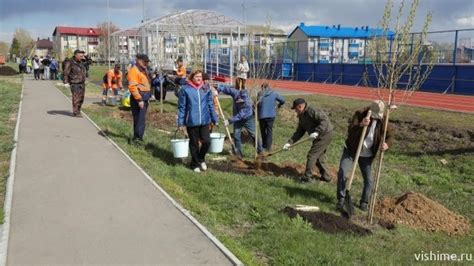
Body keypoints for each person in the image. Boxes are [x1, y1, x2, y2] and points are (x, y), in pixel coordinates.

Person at [336, 100, 393, 211]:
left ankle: (364, 201)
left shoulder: (384, 120)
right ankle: (342, 199)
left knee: (369, 180)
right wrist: (361, 125)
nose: (376, 118)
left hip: (367, 155)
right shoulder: (360, 114)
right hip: (351, 150)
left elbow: (390, 136)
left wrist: (387, 144)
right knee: (342, 172)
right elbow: (350, 130)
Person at [283, 98, 334, 183]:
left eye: (295, 109)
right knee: (318, 157)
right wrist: (289, 143)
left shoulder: (312, 110)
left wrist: (317, 131)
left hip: (325, 134)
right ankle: (326, 176)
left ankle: (307, 178)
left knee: (312, 155)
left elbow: (324, 120)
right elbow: (299, 132)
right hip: (318, 135)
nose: (295, 111)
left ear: (300, 106)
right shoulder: (302, 117)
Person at [177, 70, 218, 173]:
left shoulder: (206, 89)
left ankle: (201, 158)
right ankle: (194, 164)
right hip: (191, 120)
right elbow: (182, 107)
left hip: (205, 120)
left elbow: (210, 104)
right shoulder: (185, 90)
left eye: (200, 77)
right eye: (196, 77)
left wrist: (214, 118)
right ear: (192, 78)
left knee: (207, 141)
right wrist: (180, 122)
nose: (199, 78)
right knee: (194, 143)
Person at [214, 83, 262, 158]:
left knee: (254, 135)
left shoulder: (248, 103)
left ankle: (260, 151)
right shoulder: (236, 93)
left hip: (247, 119)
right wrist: (218, 88)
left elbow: (240, 115)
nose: (240, 102)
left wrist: (229, 121)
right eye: (239, 100)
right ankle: (238, 153)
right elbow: (227, 89)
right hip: (237, 119)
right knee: (236, 135)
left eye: (241, 102)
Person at [127, 54, 152, 143]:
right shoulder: (134, 71)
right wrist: (139, 100)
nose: (146, 63)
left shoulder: (143, 70)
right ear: (138, 60)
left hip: (144, 98)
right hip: (139, 99)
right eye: (144, 61)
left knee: (140, 119)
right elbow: (132, 86)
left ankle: (138, 137)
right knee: (139, 119)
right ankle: (138, 138)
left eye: (147, 62)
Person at [257, 82, 285, 152]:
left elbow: (258, 104)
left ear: (262, 87)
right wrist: (279, 104)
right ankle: (269, 148)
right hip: (271, 115)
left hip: (262, 115)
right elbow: (283, 100)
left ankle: (264, 145)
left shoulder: (260, 93)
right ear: (269, 87)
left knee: (263, 131)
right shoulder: (274, 93)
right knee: (269, 131)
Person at [63, 50, 87, 117]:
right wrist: (65, 82)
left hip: (82, 83)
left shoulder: (81, 62)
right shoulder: (70, 62)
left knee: (81, 98)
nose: (82, 57)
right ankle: (76, 112)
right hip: (75, 83)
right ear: (76, 55)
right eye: (80, 56)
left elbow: (89, 62)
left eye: (82, 56)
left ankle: (78, 111)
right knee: (76, 98)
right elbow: (65, 73)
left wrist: (85, 58)